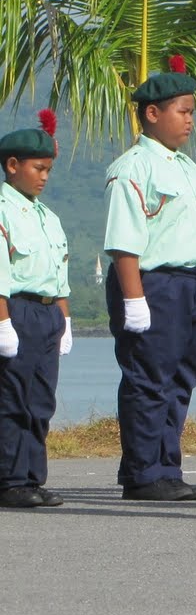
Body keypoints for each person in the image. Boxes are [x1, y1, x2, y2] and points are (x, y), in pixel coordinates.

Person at [103, 55, 196, 502]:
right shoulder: (133, 167)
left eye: (191, 112)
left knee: (180, 379)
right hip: (154, 284)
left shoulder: (188, 168)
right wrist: (134, 300)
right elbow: (124, 243)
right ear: (152, 113)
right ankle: (143, 473)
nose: (190, 120)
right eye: (183, 111)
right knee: (149, 379)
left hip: (192, 283)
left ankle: (166, 467)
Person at [0, 111, 70, 509]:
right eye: (38, 168)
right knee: (12, 398)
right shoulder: (3, 211)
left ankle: (31, 477)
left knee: (41, 400)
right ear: (13, 165)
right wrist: (3, 324)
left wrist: (65, 319)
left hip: (46, 314)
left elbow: (58, 275)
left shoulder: (48, 218)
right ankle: (9, 480)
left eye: (48, 170)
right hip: (16, 311)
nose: (44, 177)